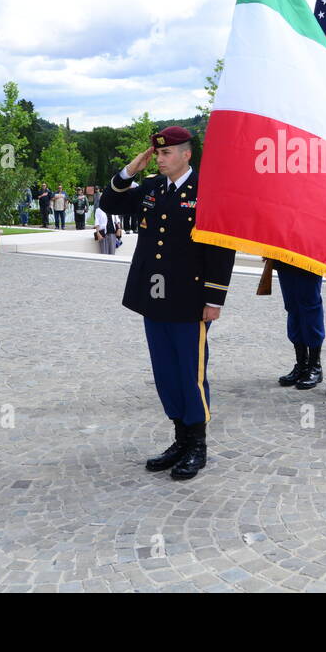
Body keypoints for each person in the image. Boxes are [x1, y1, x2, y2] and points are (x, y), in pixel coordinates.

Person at [98, 126, 235, 480]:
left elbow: (220, 248)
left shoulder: (208, 192)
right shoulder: (152, 187)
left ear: (186, 155)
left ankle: (197, 444)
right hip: (153, 296)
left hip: (189, 299)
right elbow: (110, 203)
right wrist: (131, 170)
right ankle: (179, 437)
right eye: (156, 153)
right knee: (165, 372)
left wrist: (214, 298)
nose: (159, 158)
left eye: (166, 153)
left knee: (191, 373)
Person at [273, 262, 326, 389]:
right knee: (292, 307)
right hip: (284, 256)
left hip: (308, 256)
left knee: (310, 308)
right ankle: (302, 364)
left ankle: (315, 366)